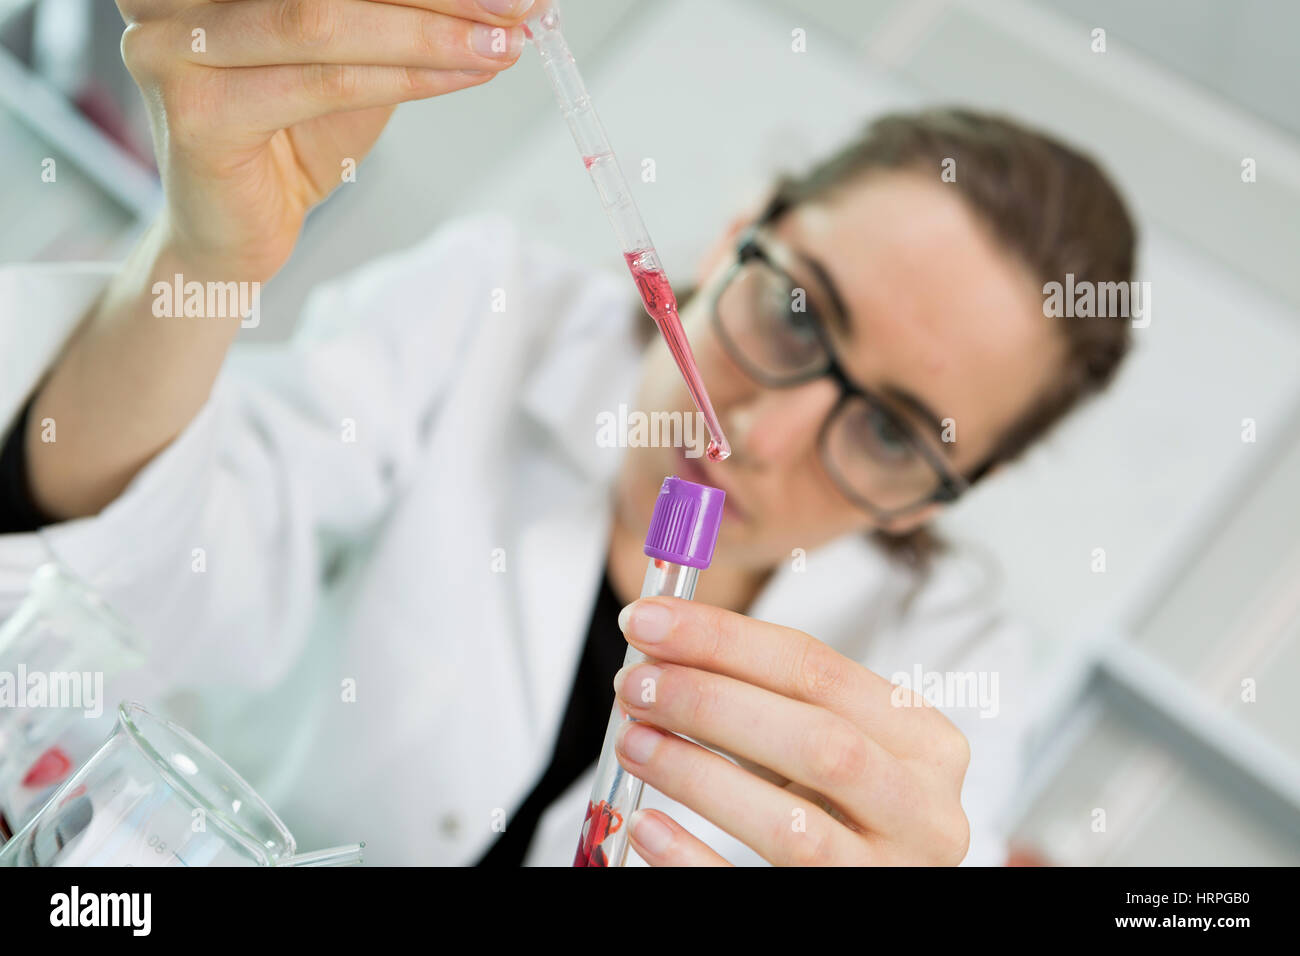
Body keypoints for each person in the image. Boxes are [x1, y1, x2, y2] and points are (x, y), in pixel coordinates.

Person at [0, 0, 1135, 866]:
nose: (759, 433)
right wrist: (206, 256)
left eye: (891, 434)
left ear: (946, 492)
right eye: (797, 311)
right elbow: (119, 579)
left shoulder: (949, 659)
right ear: (740, 230)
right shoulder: (483, 311)